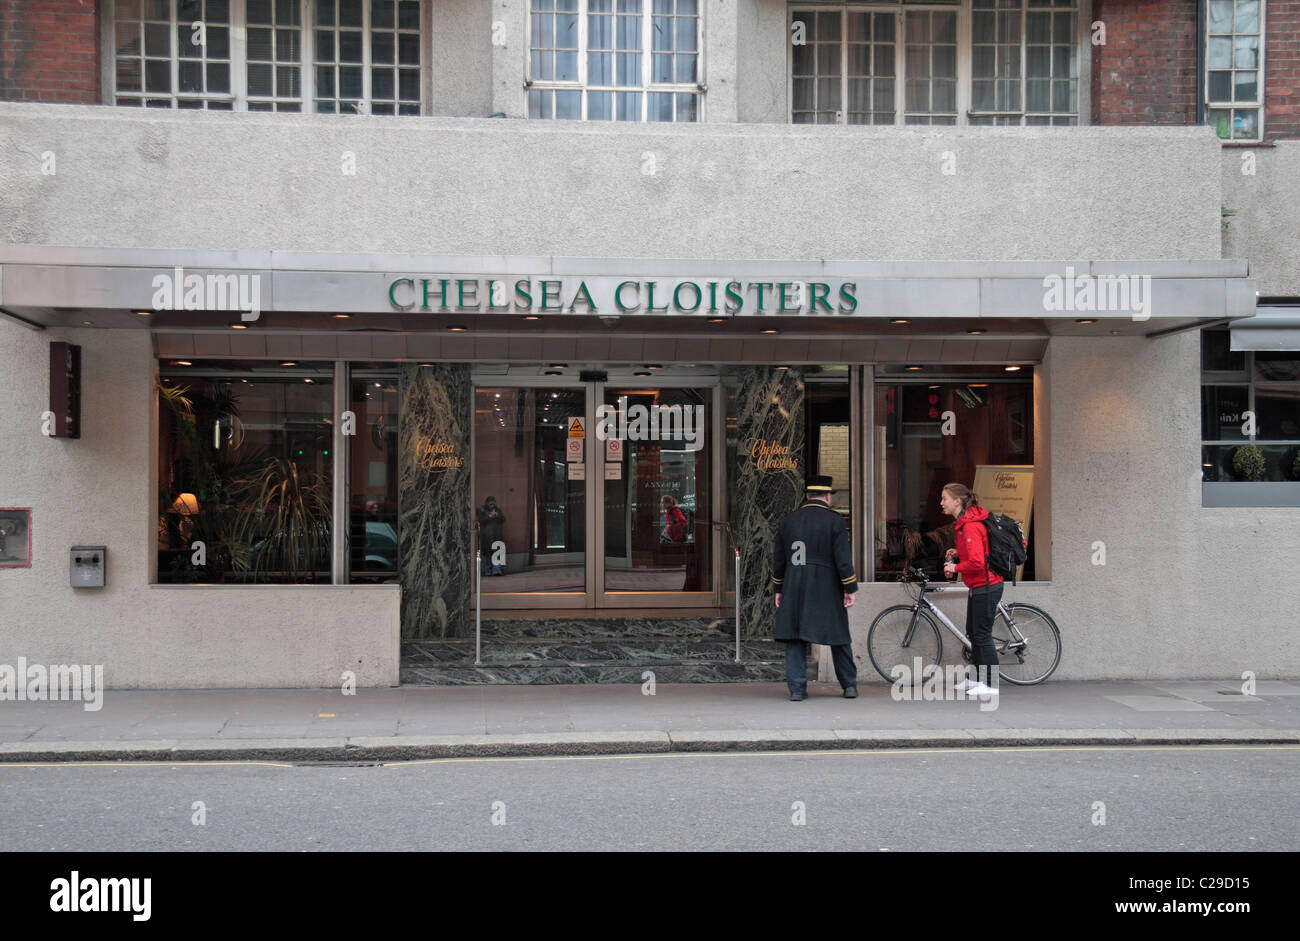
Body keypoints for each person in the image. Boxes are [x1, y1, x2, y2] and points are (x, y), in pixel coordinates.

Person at [772, 475, 858, 701]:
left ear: (807, 496)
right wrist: (850, 587)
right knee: (839, 635)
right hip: (826, 583)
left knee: (795, 636)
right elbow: (843, 559)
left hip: (794, 583)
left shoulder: (788, 521)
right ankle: (849, 685)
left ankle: (797, 690)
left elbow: (779, 559)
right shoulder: (835, 521)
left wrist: (778, 588)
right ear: (828, 496)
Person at [940, 482, 1001, 697]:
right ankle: (975, 678)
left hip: (987, 584)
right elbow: (977, 552)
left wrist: (954, 566)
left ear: (958, 501)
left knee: (982, 635)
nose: (941, 503)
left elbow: (978, 562)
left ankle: (991, 684)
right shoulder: (965, 522)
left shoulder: (971, 525)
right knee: (974, 633)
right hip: (978, 585)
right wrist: (958, 552)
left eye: (944, 499)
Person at [476, 496, 506, 575]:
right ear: (487, 504)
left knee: (497, 553)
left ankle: (496, 570)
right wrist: (489, 517)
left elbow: (503, 519)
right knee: (488, 554)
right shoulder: (482, 511)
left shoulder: (498, 510)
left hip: (497, 535)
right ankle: (488, 571)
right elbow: (480, 521)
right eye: (490, 504)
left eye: (493, 504)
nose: (492, 506)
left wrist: (497, 515)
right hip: (487, 536)